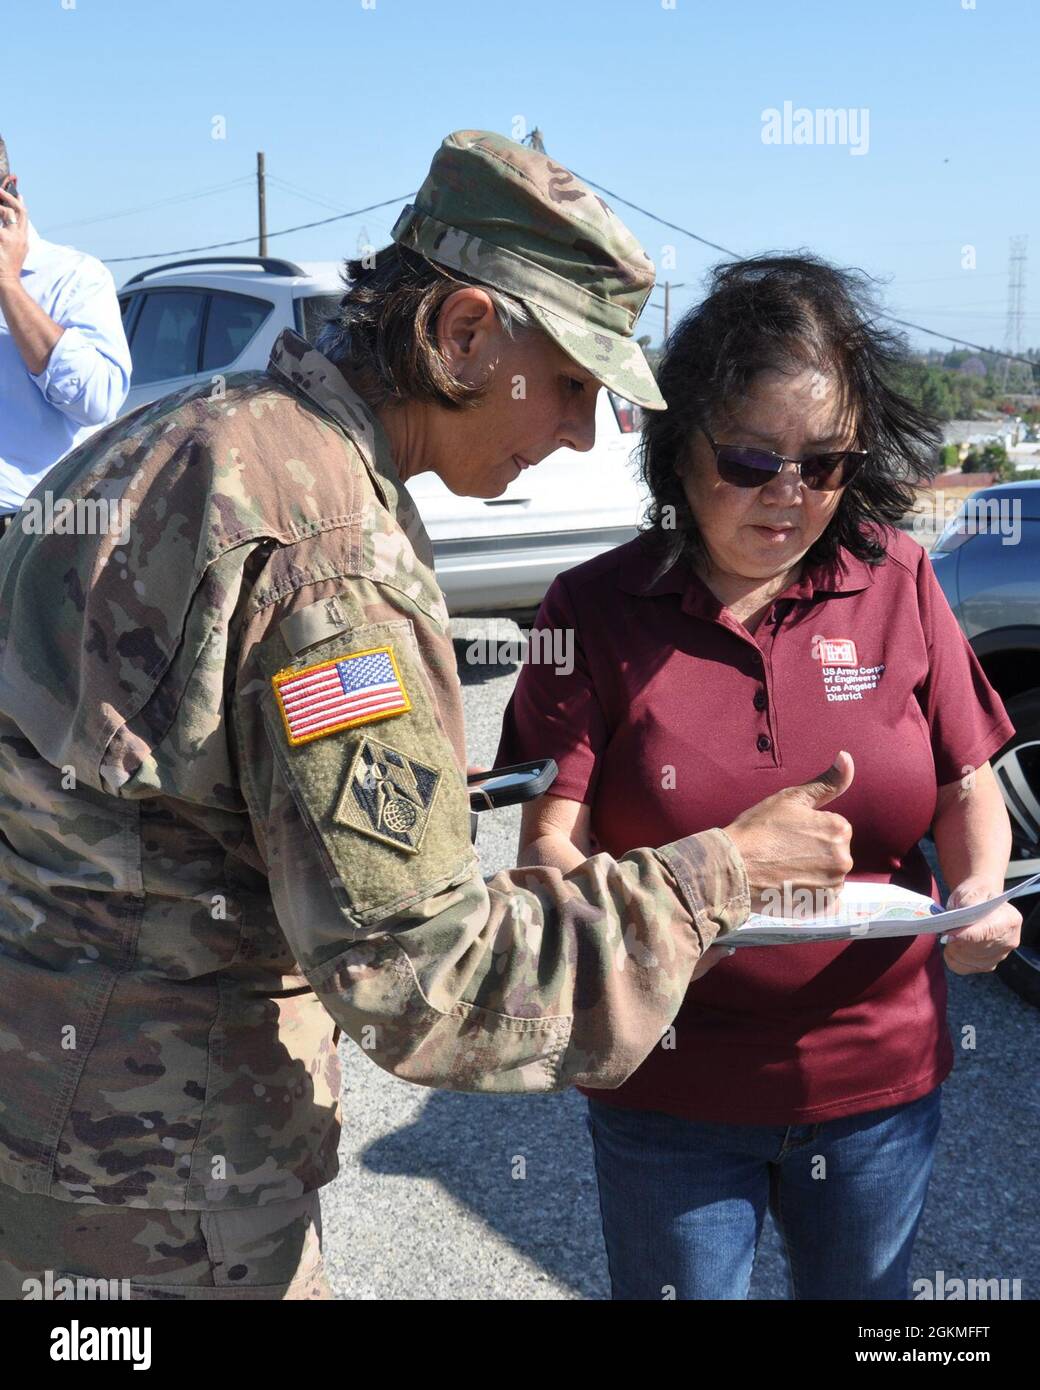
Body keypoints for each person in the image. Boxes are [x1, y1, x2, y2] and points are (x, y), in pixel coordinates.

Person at [0, 134, 853, 1300]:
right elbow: (426, 981)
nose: (584, 431)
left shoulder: (185, 432)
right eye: (569, 383)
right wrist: (720, 874)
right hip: (167, 1194)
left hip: (50, 1134)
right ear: (461, 335)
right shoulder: (325, 556)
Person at [496, 254, 1022, 1301]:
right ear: (678, 448)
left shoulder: (895, 576)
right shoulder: (593, 611)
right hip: (669, 1087)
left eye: (822, 464)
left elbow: (968, 783)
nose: (787, 495)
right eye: (748, 459)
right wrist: (663, 913)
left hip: (877, 1080)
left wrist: (974, 896)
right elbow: (548, 846)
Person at [0, 134, 130, 531]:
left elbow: (97, 401)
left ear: (9, 192)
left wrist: (9, 284)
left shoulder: (75, 277)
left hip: (28, 530)